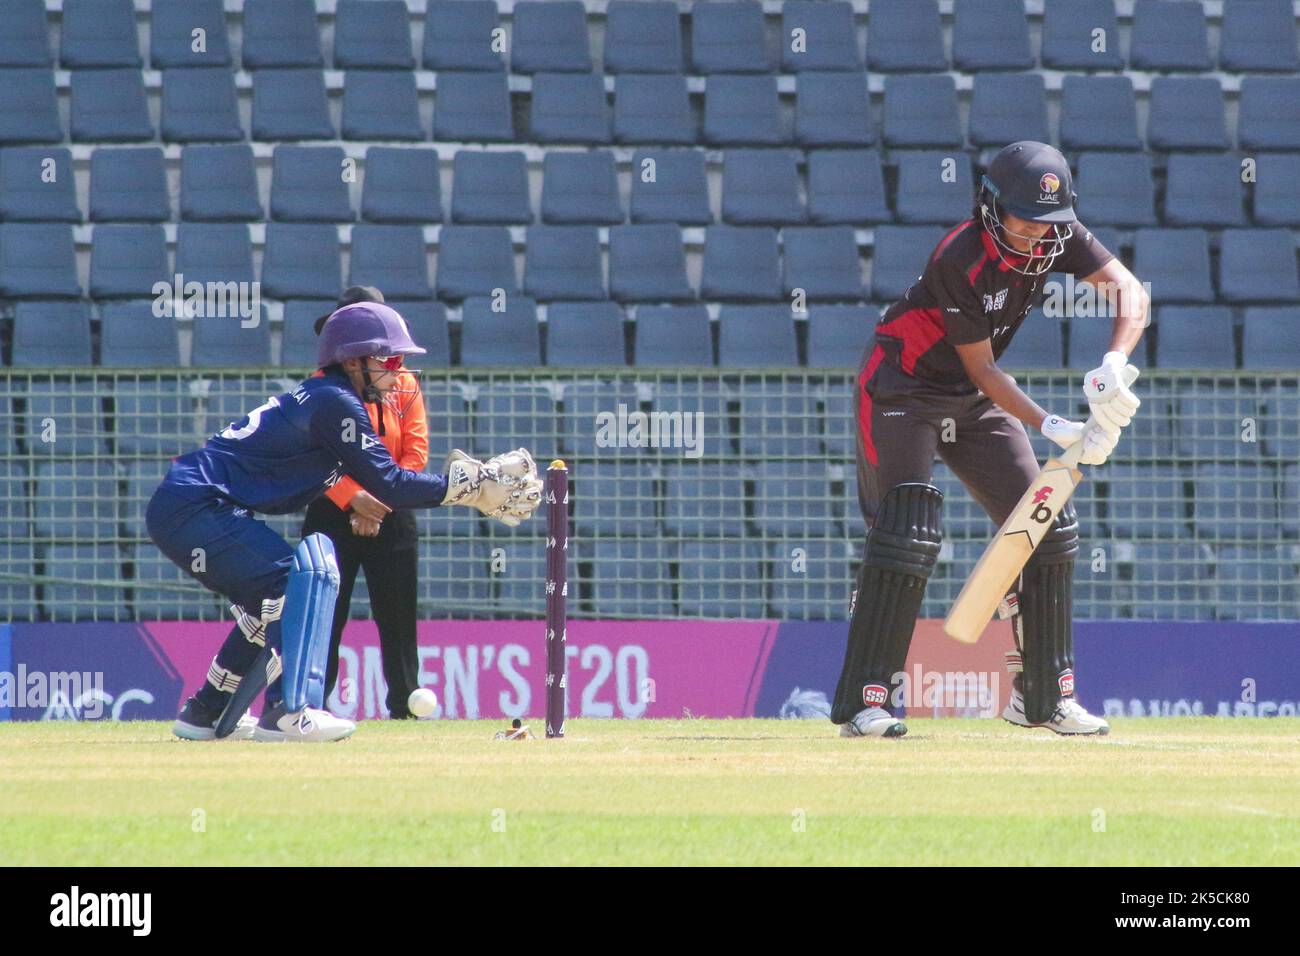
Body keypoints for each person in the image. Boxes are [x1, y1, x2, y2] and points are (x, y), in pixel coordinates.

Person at [833, 141, 1147, 739]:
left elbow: (1132, 294)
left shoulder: (1059, 231)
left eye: (1049, 223)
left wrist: (1113, 361)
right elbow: (983, 370)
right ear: (991, 207)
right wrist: (1053, 424)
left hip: (972, 401)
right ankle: (867, 700)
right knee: (905, 530)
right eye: (1024, 221)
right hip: (903, 386)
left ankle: (1043, 698)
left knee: (1045, 525)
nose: (1036, 236)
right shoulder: (962, 256)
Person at [148, 302, 544, 742]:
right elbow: (391, 483)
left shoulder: (329, 398)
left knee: (267, 600)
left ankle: (205, 710)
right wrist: (470, 489)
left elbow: (385, 481)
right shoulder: (336, 403)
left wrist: (463, 489)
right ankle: (286, 711)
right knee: (290, 581)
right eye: (389, 361)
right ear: (353, 361)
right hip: (196, 506)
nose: (398, 375)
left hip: (189, 506)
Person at [302, 287, 428, 719]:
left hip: (392, 513)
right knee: (324, 618)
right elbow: (317, 456)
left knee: (398, 620)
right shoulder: (321, 390)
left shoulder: (405, 383)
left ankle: (406, 707)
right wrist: (353, 501)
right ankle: (307, 707)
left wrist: (379, 501)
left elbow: (415, 451)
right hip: (331, 513)